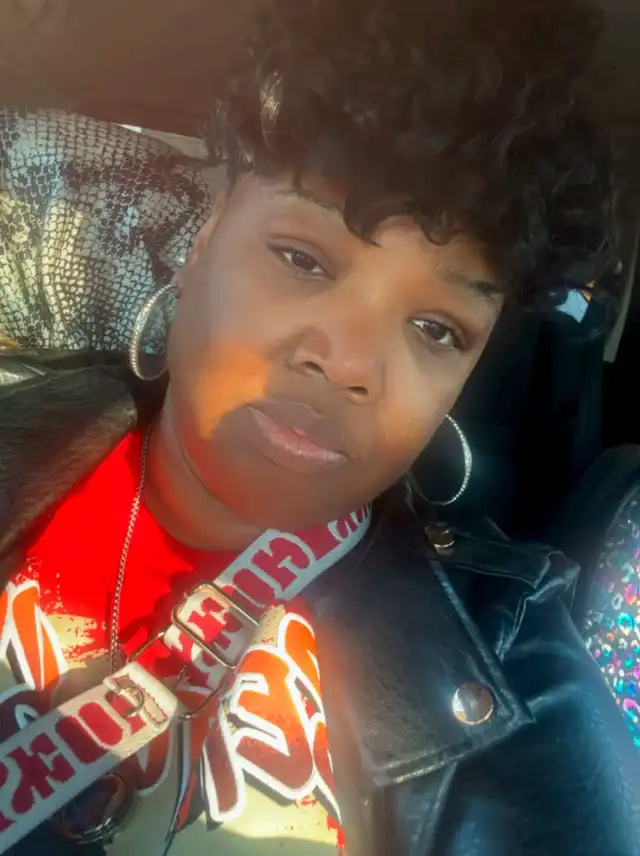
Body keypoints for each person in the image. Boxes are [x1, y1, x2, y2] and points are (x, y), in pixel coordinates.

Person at [0, 0, 638, 854]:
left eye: (436, 328)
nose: (347, 362)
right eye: (302, 259)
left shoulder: (519, 680)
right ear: (206, 238)